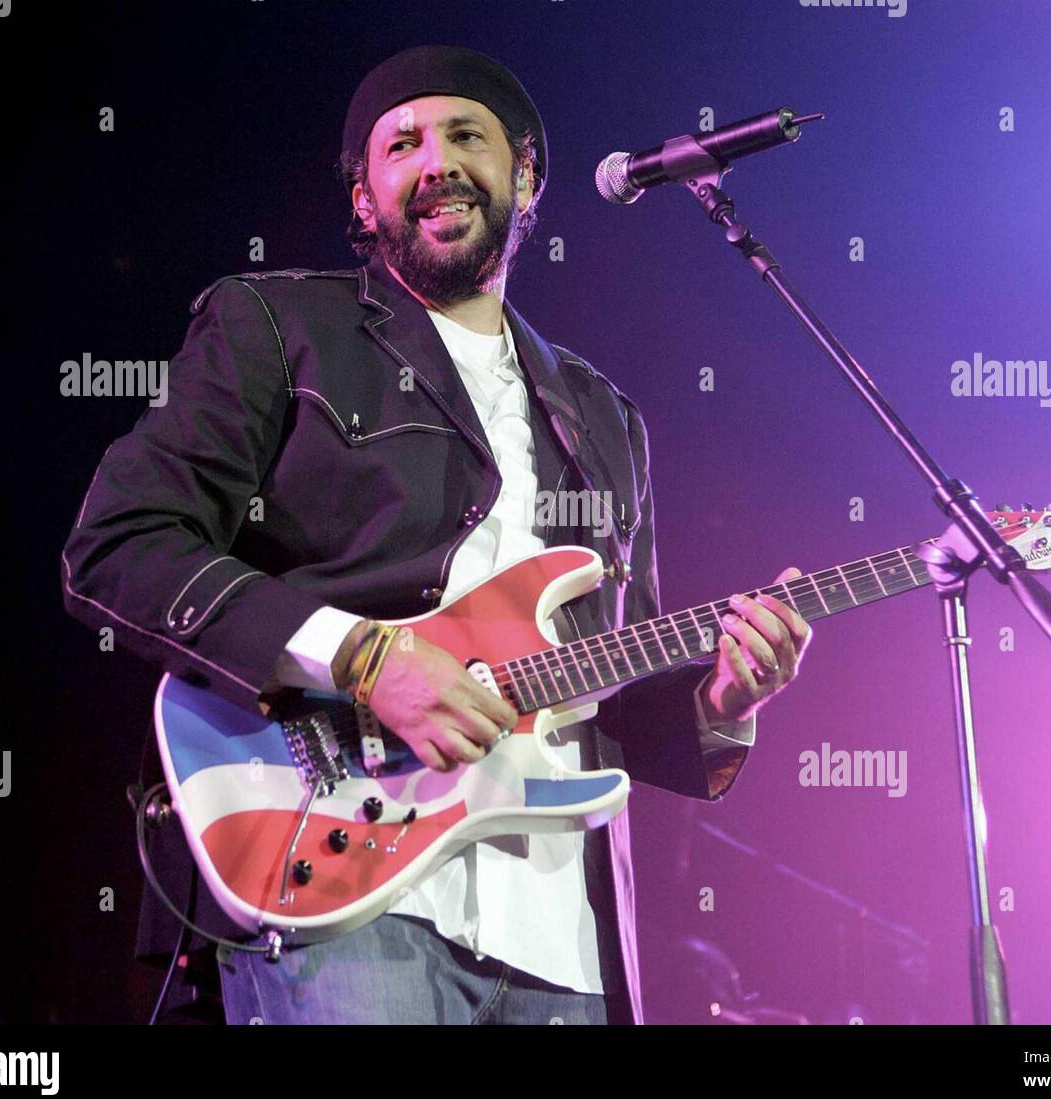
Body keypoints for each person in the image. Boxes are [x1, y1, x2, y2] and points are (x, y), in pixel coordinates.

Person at [61, 44, 811, 1025]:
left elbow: (609, 697)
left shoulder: (604, 414)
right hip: (340, 884)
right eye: (401, 144)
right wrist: (365, 656)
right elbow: (118, 544)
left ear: (526, 172)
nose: (435, 162)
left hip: (560, 932)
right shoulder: (277, 326)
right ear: (365, 197)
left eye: (466, 135)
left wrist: (722, 695)